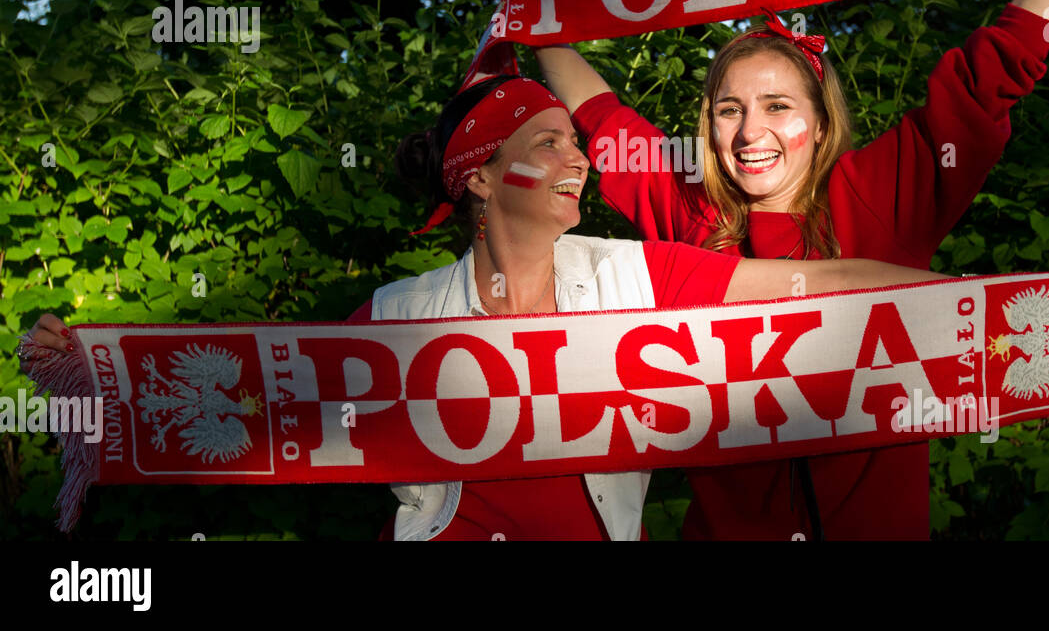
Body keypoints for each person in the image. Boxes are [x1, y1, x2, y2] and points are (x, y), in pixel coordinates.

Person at [525, 0, 1049, 540]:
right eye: (729, 110)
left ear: (823, 124)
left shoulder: (880, 195)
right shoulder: (689, 209)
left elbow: (995, 69)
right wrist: (533, 12)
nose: (750, 133)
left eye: (777, 107)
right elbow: (602, 117)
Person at [19, 74, 947, 541]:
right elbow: (257, 391)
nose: (580, 160)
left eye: (577, 142)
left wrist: (961, 302)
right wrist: (95, 363)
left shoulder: (637, 277)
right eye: (550, 145)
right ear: (480, 178)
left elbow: (803, 287)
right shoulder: (401, 313)